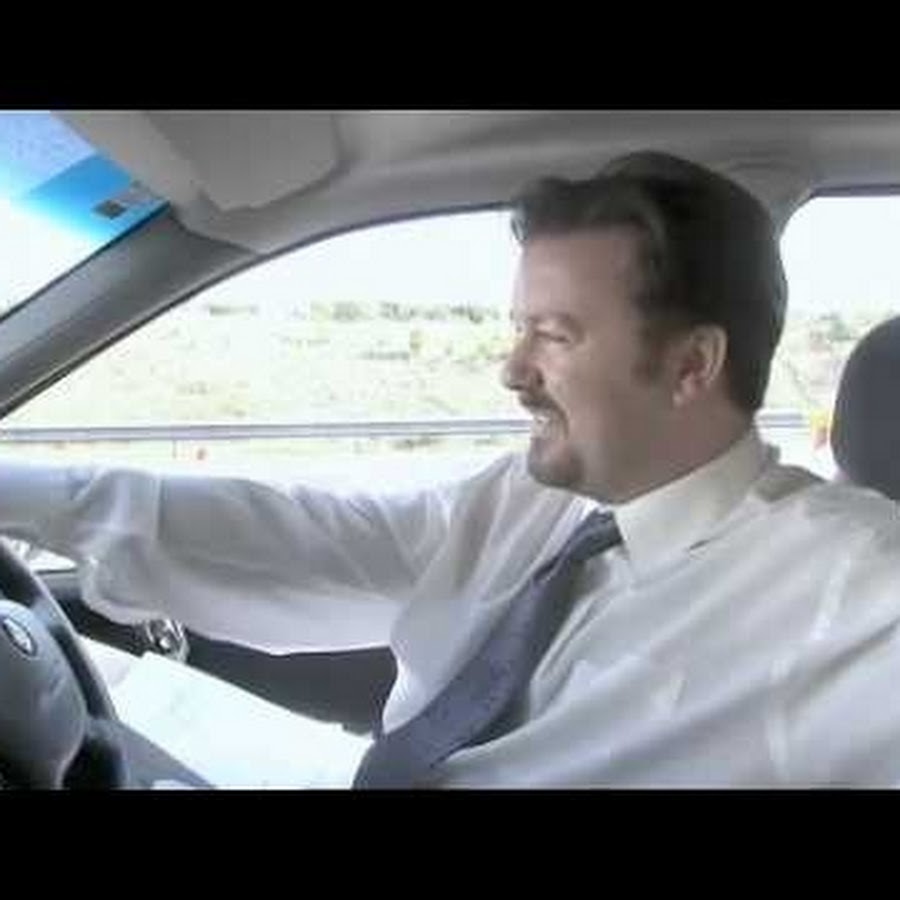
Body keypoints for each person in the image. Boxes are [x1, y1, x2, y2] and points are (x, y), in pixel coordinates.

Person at [3, 150, 900, 787]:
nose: (512, 371)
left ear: (691, 365)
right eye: (518, 329)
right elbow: (311, 538)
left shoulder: (851, 586)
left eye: (554, 335)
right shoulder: (537, 503)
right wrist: (24, 497)